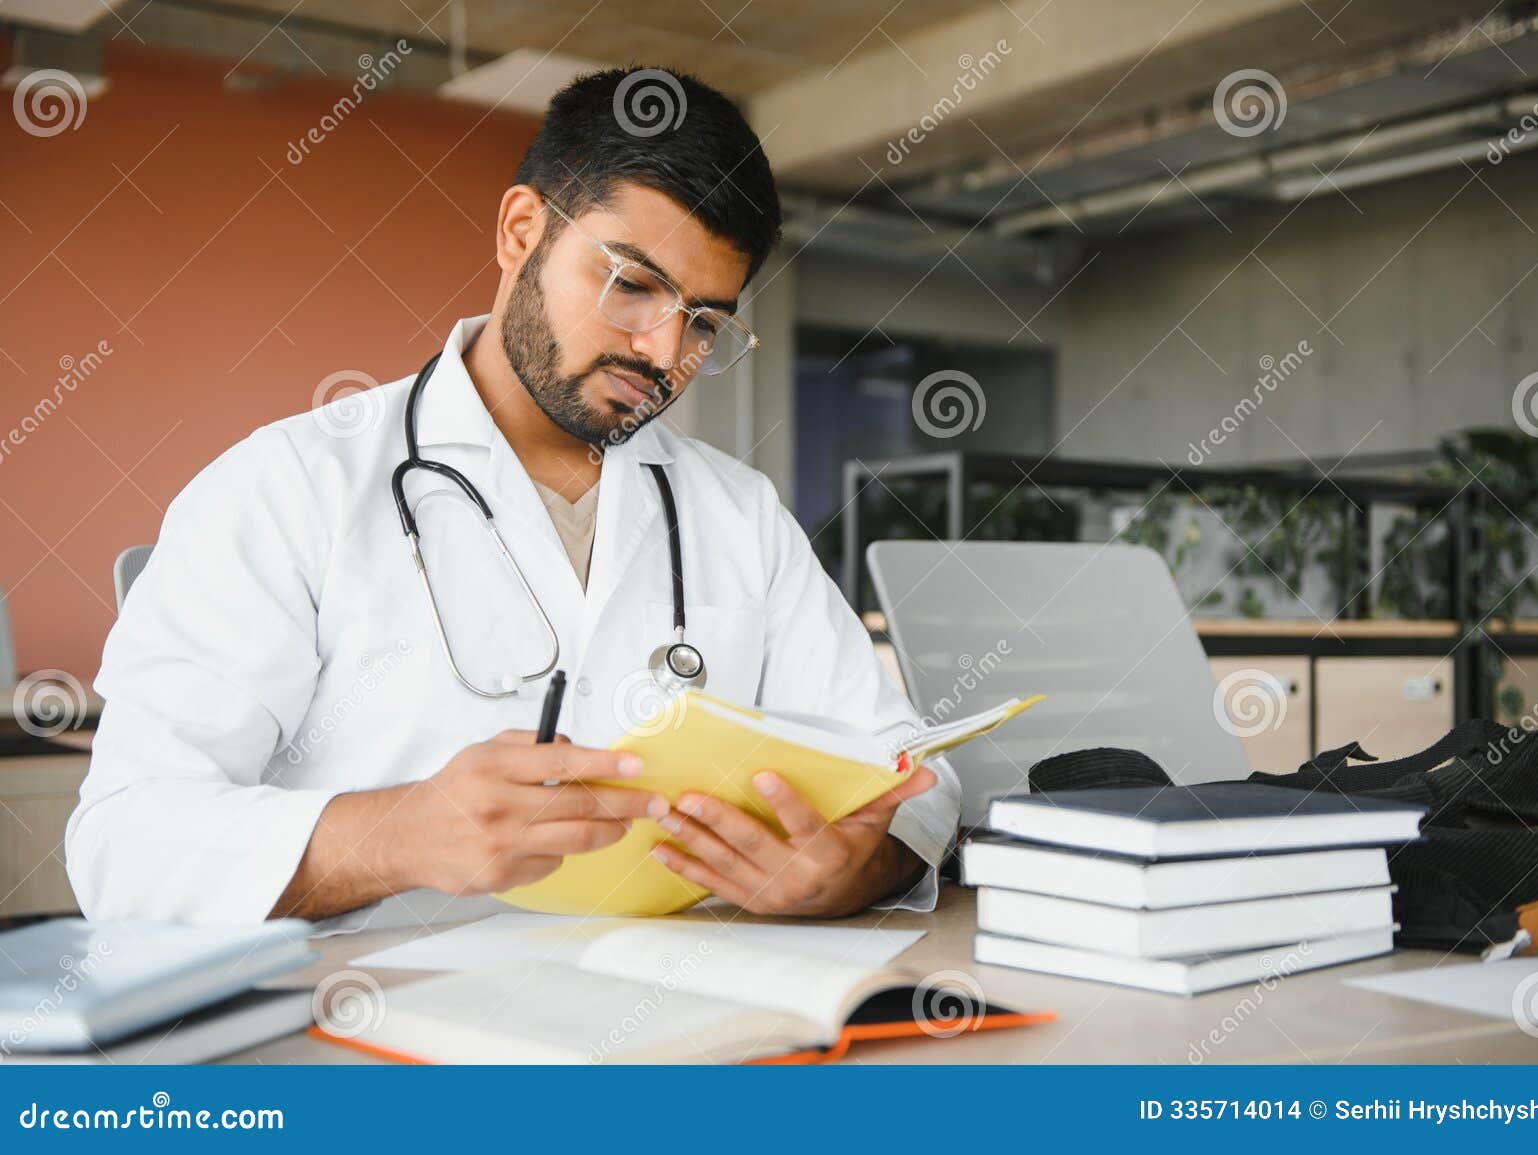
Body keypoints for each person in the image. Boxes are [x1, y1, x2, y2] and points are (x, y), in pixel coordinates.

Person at [66, 67, 958, 929]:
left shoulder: (738, 512)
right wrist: (395, 837)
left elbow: (910, 772)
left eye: (706, 321)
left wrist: (852, 870)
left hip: (679, 1010)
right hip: (372, 1021)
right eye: (632, 285)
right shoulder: (286, 487)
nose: (662, 350)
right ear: (522, 229)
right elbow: (123, 844)